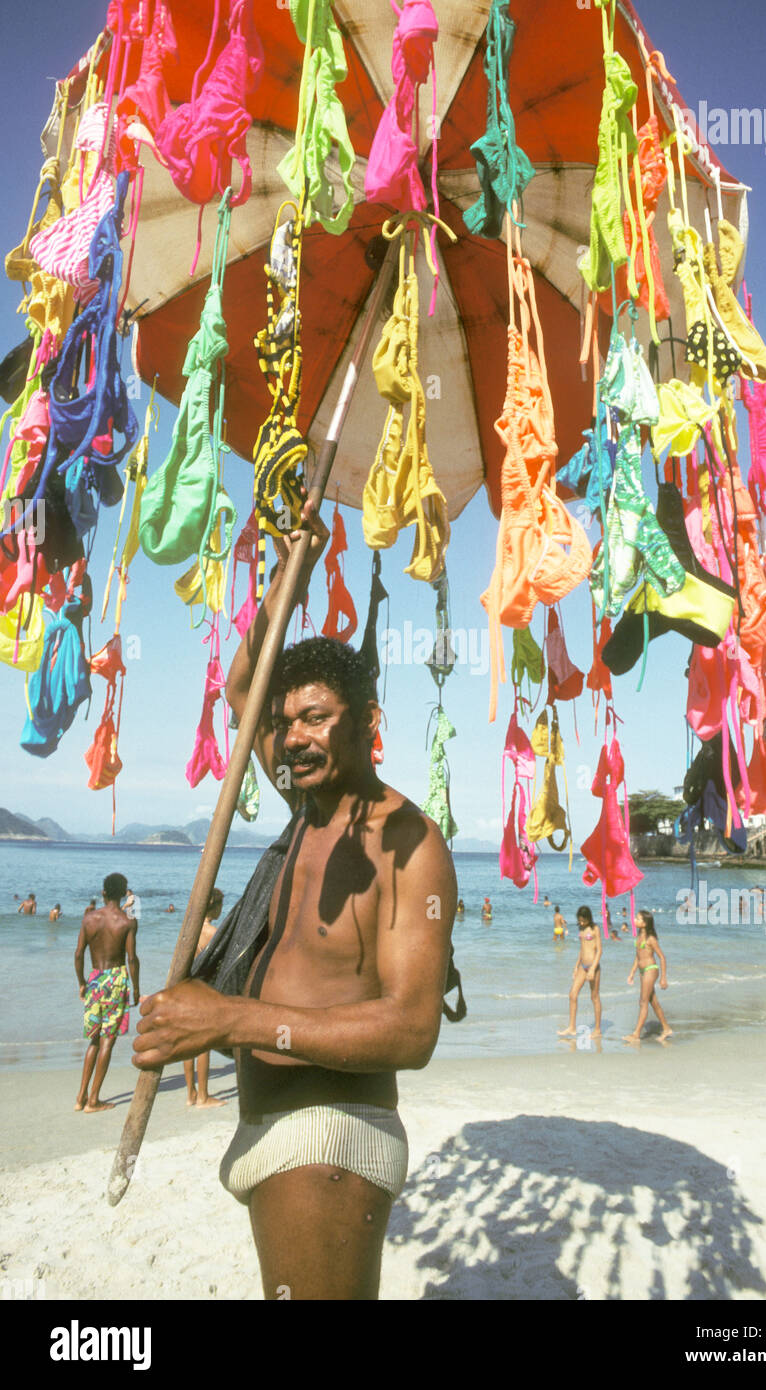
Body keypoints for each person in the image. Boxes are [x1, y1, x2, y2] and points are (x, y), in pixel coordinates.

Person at [133, 500, 457, 1302]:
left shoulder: (408, 843)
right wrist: (295, 566)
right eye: (288, 723)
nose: (296, 737)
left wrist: (230, 1019)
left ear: (366, 724)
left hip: (331, 1138)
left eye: (318, 716)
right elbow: (244, 689)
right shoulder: (309, 808)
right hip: (278, 1131)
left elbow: (413, 1029)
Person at [75, 873, 140, 1112]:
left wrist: (82, 981)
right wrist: (136, 988)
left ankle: (80, 1097)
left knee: (94, 1039)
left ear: (103, 892)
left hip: (95, 978)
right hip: (117, 979)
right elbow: (132, 958)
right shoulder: (128, 921)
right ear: (124, 893)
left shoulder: (89, 918)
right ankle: (93, 1100)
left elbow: (79, 954)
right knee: (107, 1042)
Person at [183, 889, 227, 1109]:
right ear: (215, 907)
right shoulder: (212, 932)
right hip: (204, 989)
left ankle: (190, 1093)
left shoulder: (189, 929)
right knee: (203, 1044)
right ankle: (203, 1096)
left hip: (186, 987)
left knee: (189, 1042)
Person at [624, 910, 672, 1043]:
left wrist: (663, 978)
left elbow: (662, 957)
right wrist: (632, 973)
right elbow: (638, 956)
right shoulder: (639, 936)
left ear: (645, 923)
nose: (634, 920)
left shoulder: (651, 939)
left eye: (638, 919)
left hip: (651, 969)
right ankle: (666, 1028)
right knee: (653, 1002)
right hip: (642, 971)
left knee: (642, 1002)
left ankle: (636, 1034)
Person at [558, 906, 602, 1038]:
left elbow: (599, 950)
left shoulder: (595, 929)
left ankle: (598, 1030)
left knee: (594, 997)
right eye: (580, 921)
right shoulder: (581, 929)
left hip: (594, 966)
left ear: (589, 918)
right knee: (572, 994)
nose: (581, 923)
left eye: (583, 920)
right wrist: (576, 966)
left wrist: (593, 969)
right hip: (582, 967)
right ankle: (572, 1027)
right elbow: (582, 949)